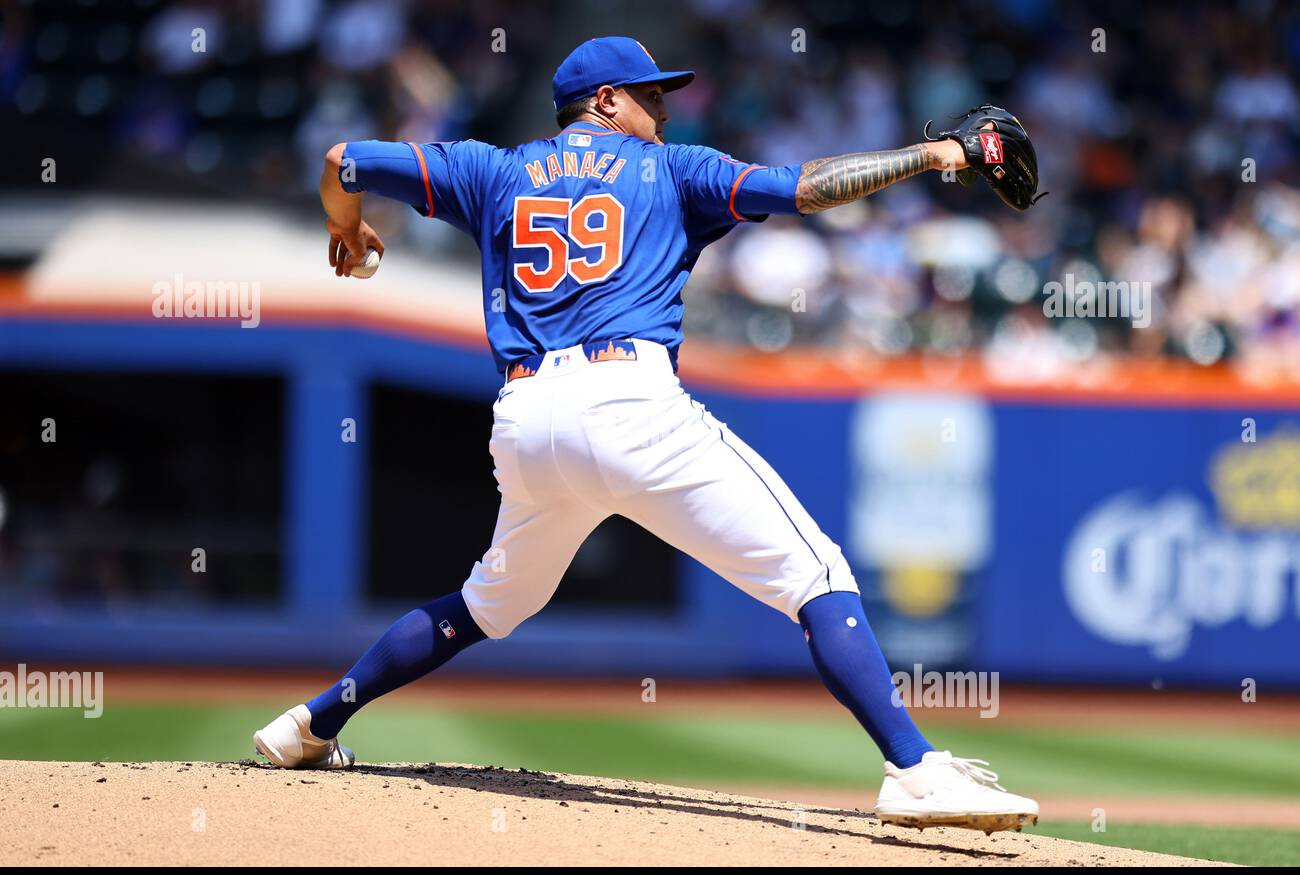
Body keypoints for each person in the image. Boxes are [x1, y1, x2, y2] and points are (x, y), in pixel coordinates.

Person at [254, 36, 1038, 833]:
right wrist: (934, 153)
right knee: (817, 574)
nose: (665, 111)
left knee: (487, 606)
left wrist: (347, 233)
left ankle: (310, 726)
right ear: (604, 102)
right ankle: (913, 769)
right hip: (631, 403)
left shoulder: (490, 168)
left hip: (526, 420)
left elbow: (341, 159)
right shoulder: (674, 169)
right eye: (649, 96)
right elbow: (807, 189)